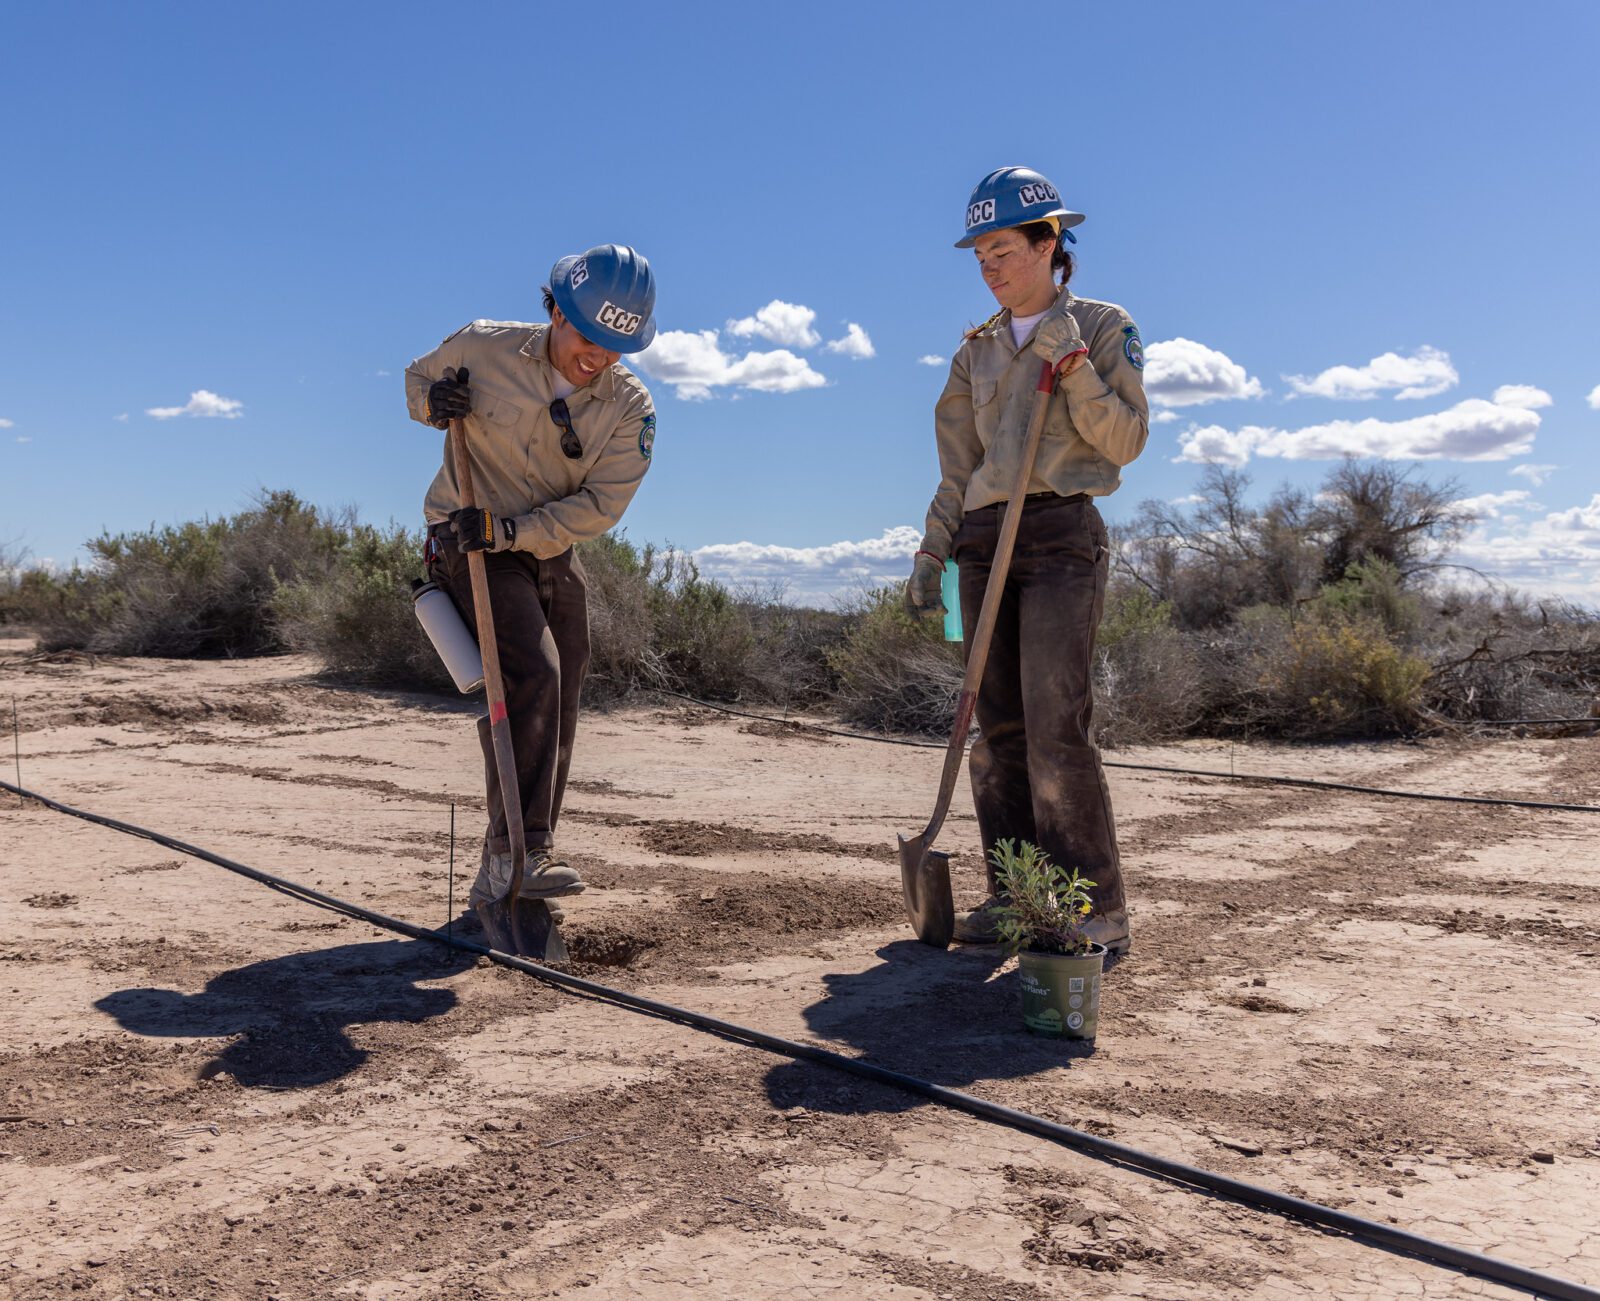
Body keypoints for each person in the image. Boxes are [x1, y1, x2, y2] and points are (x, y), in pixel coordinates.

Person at [907, 168, 1148, 951]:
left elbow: (1126, 442)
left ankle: (1094, 908)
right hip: (978, 548)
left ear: (1050, 243)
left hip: (1059, 536)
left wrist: (1074, 367)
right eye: (980, 256)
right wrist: (933, 549)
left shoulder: (1102, 327)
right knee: (996, 730)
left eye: (1003, 250)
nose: (990, 268)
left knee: (1055, 726)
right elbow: (957, 470)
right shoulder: (974, 351)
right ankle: (1014, 900)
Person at [404, 244, 658, 913]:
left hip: (542, 544)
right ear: (557, 312)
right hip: (465, 537)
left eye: (616, 346)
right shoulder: (481, 347)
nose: (598, 356)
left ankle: (517, 856)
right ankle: (518, 852)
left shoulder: (631, 409)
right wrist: (433, 401)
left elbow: (599, 506)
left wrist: (513, 532)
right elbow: (416, 380)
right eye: (588, 337)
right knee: (533, 673)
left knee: (564, 681)